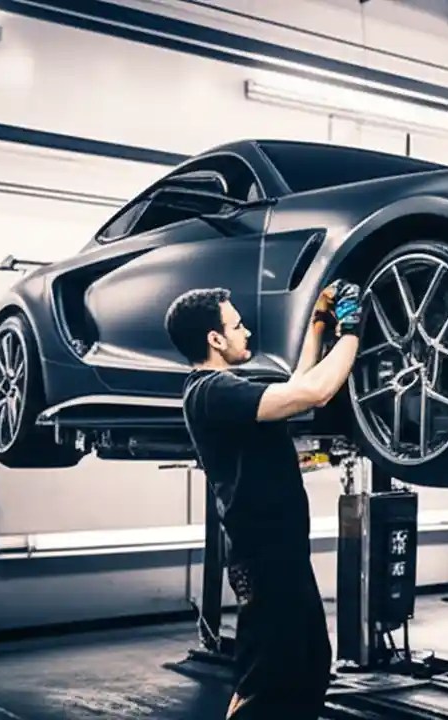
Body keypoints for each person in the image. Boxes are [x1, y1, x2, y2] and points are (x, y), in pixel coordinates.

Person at [164, 281, 364, 719]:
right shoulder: (212, 391)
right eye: (237, 326)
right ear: (215, 339)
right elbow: (316, 393)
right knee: (273, 680)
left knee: (308, 664)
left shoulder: (225, 391)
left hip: (280, 554)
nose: (247, 332)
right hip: (265, 558)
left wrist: (319, 321)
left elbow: (298, 387)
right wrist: (352, 328)